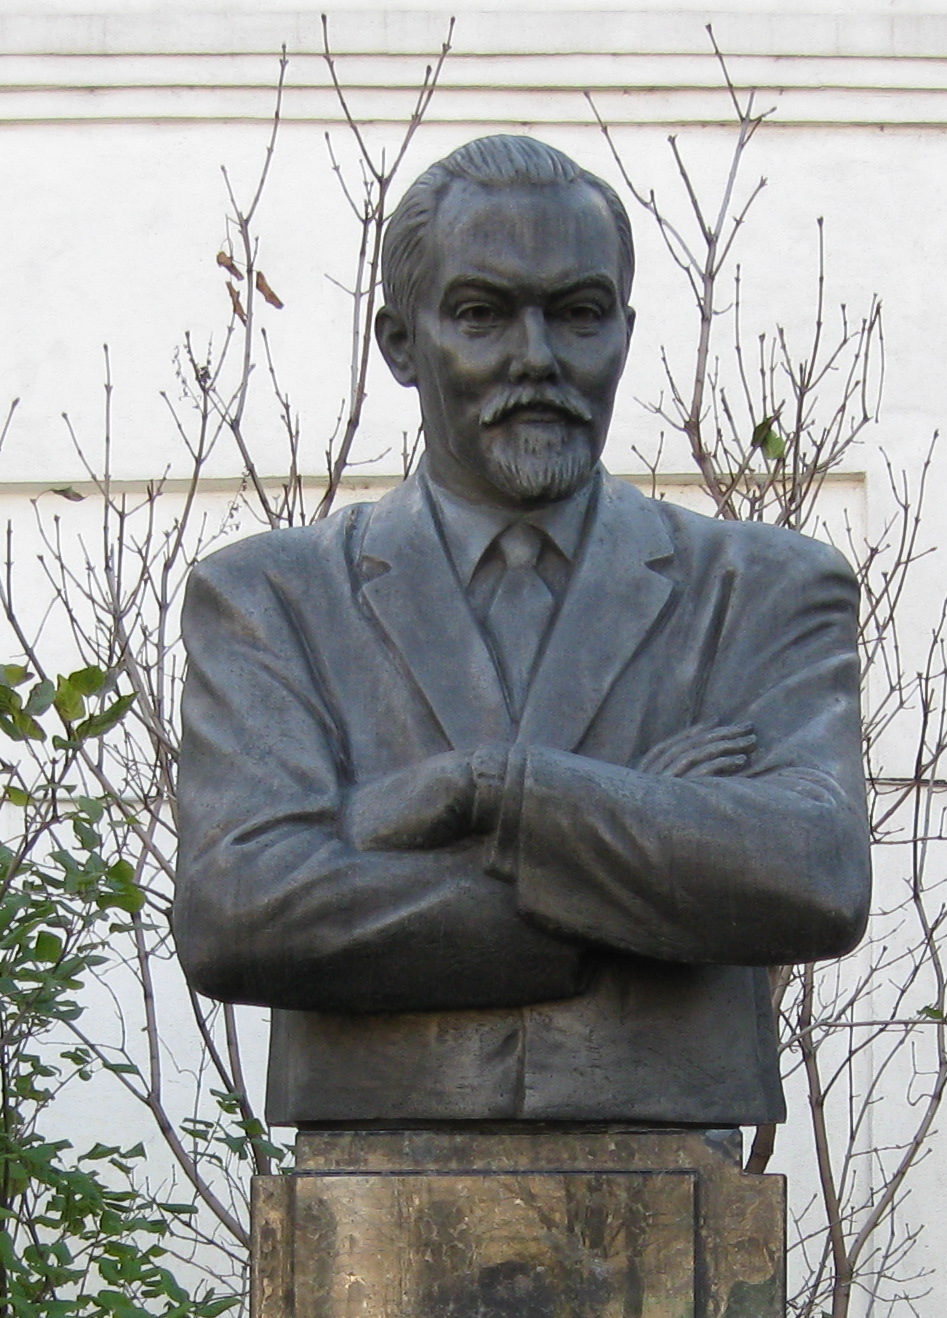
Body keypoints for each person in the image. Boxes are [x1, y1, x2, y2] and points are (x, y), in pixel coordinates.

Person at [173, 132, 870, 1127]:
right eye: (482, 315)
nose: (536, 359)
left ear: (625, 332)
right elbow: (240, 913)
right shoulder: (271, 599)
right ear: (401, 343)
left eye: (578, 315)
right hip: (369, 1144)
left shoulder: (763, 590)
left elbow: (816, 877)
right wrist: (642, 867)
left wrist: (488, 791)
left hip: (672, 1143)